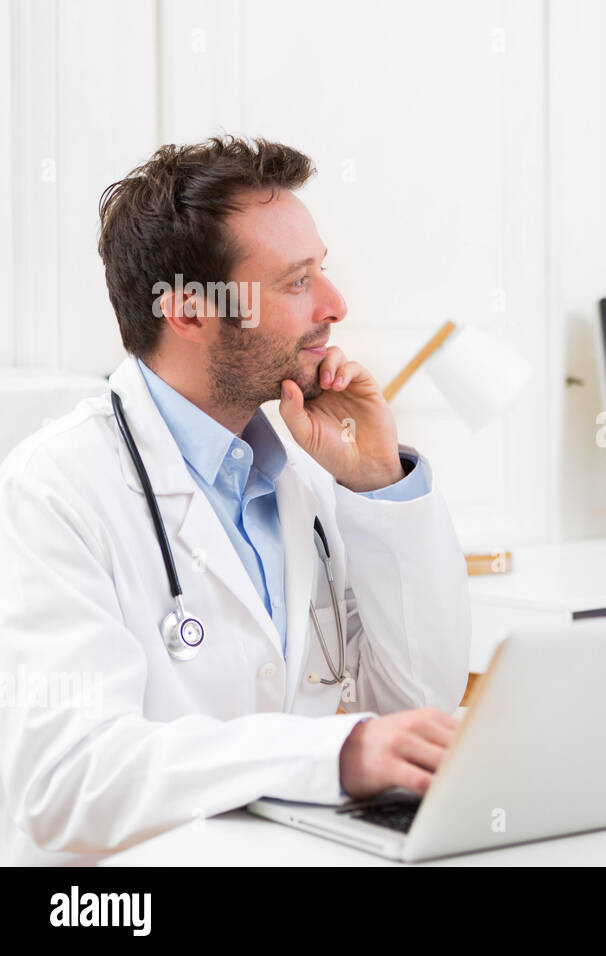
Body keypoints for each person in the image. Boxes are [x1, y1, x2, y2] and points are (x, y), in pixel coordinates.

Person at [0, 137, 470, 865]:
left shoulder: (305, 469)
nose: (336, 305)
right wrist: (330, 754)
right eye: (297, 281)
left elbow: (417, 705)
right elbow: (67, 780)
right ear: (189, 311)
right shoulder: (52, 490)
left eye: (324, 271)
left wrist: (376, 481)